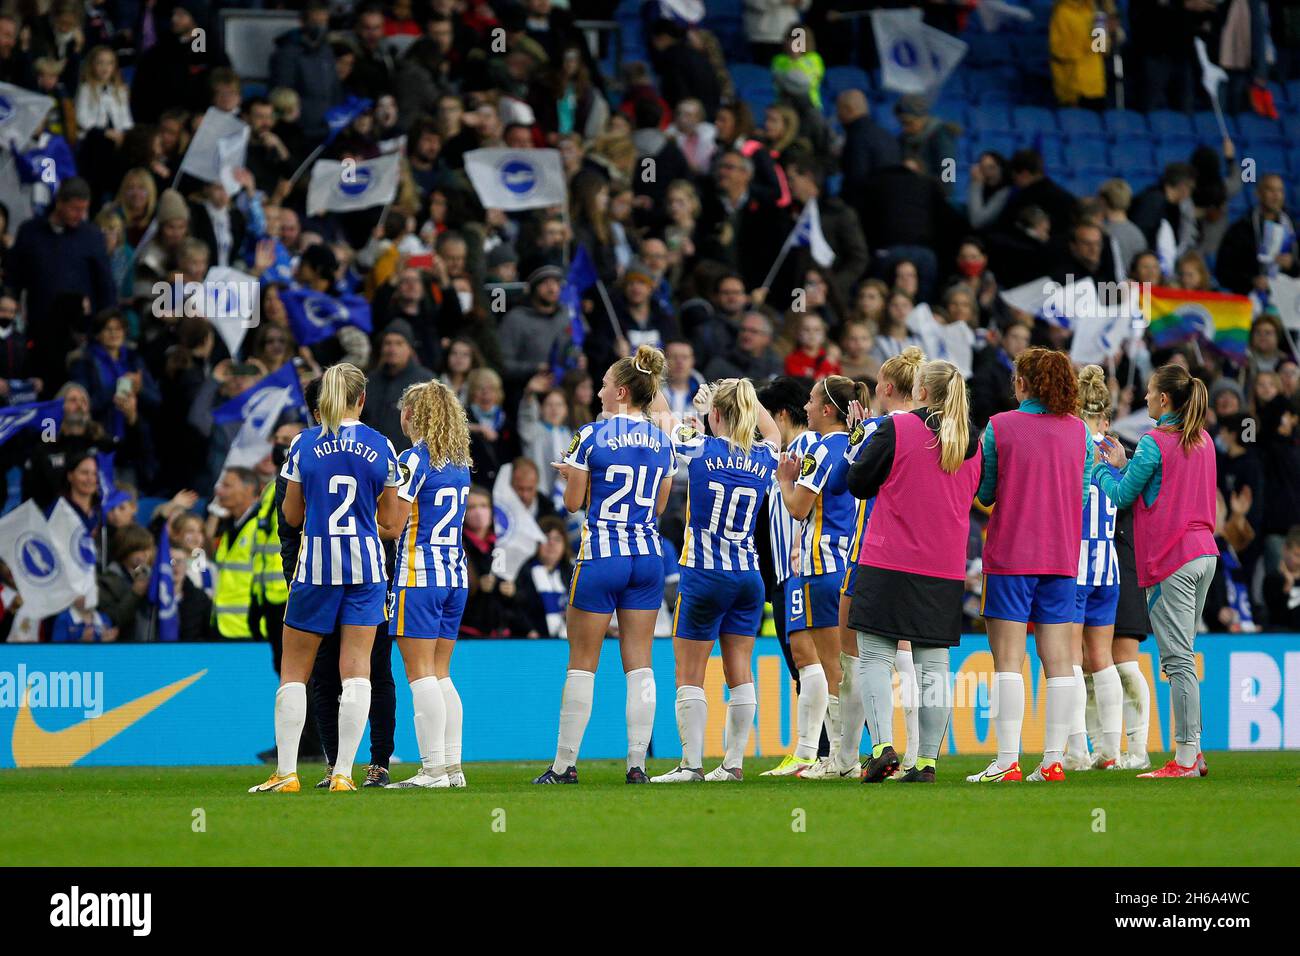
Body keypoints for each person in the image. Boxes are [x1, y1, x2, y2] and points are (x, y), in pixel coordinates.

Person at [249, 363, 404, 794]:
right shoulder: (383, 446)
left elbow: (292, 516)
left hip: (315, 569)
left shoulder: (302, 444)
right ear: (361, 400)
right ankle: (343, 774)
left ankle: (287, 773)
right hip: (366, 569)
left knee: (295, 673)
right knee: (357, 673)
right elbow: (391, 523)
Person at [534, 345, 677, 785]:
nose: (596, 393)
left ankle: (564, 765)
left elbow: (573, 504)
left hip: (602, 553)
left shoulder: (590, 435)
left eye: (601, 386)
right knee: (641, 663)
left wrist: (575, 477)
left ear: (619, 391)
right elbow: (657, 508)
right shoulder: (661, 439)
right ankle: (637, 765)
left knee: (582, 662)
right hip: (647, 557)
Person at [846, 359, 983, 782]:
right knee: (933, 665)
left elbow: (858, 483)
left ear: (921, 391)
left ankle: (883, 747)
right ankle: (926, 762)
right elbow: (977, 491)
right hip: (943, 567)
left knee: (875, 654)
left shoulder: (897, 427)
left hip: (888, 558)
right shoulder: (971, 442)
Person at [650, 379, 782, 783]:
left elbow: (661, 416)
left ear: (717, 415)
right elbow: (774, 431)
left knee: (689, 673)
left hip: (705, 575)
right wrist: (745, 395)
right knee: (739, 669)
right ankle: (734, 763)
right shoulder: (764, 455)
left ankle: (691, 766)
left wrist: (651, 374)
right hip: (749, 577)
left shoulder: (702, 446)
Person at [968, 347, 1090, 783]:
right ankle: (1054, 760)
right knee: (1058, 661)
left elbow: (983, 491)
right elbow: (1079, 494)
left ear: (1023, 383)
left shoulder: (1000, 427)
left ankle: (1007, 762)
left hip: (1011, 554)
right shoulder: (1080, 432)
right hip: (1061, 556)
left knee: (1007, 661)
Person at [1096, 364, 1217, 778]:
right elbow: (1167, 480)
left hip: (1172, 560)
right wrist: (1125, 461)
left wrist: (1099, 471)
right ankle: (1194, 751)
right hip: (1205, 555)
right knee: (1184, 656)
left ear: (1164, 400)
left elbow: (1124, 495)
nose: (1144, 398)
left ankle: (1184, 759)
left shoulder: (1154, 441)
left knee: (1178, 660)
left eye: (1149, 393)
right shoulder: (1203, 441)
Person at [768, 375, 870, 778]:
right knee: (843, 665)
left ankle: (840, 760)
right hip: (844, 562)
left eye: (811, 402)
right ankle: (842, 756)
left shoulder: (823, 450)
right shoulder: (855, 446)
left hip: (819, 564)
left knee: (834, 669)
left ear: (828, 410)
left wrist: (784, 480)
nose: (805, 408)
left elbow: (797, 508)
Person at [833, 346, 924, 778]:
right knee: (910, 652)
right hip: (921, 552)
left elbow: (854, 483)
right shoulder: (931, 429)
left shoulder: (879, 429)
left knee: (855, 656)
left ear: (886, 388)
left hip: (870, 551)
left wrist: (856, 434)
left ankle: (847, 759)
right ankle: (918, 755)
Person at [383, 381, 472, 789]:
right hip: (455, 574)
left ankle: (432, 768)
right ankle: (452, 768)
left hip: (419, 575)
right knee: (441, 673)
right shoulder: (457, 462)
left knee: (419, 673)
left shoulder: (413, 460)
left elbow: (393, 525)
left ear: (412, 415)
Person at [1066, 366, 1126, 772]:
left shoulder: (1072, 446)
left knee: (1067, 659)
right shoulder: (1117, 454)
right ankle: (1112, 749)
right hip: (1110, 565)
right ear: (1104, 415)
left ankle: (1075, 750)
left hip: (1073, 563)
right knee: (1102, 658)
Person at [210, 467, 261, 641]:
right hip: (224, 626)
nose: (219, 490)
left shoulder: (262, 527)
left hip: (251, 630)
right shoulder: (230, 527)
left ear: (248, 489)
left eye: (227, 485)